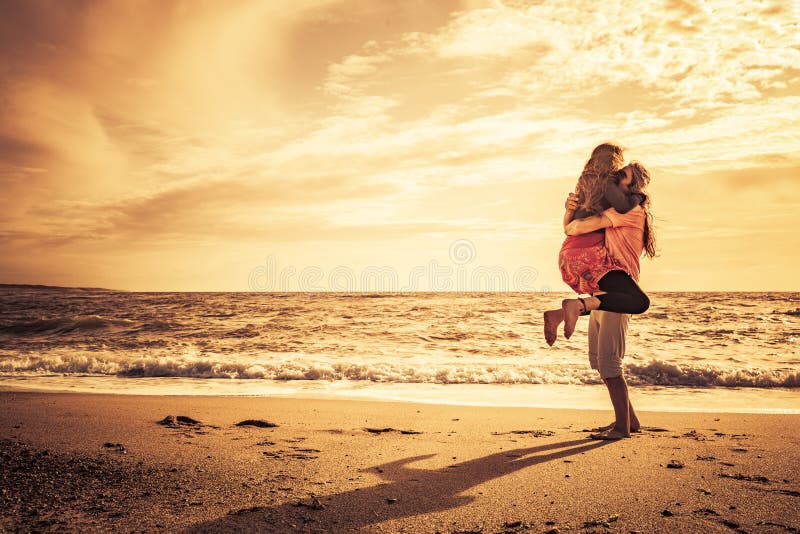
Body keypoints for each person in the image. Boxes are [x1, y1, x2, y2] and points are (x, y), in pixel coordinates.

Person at [550, 161, 657, 440]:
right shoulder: (619, 209)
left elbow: (574, 229)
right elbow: (571, 227)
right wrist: (570, 209)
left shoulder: (629, 210)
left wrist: (572, 217)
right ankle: (630, 421)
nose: (615, 178)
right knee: (601, 362)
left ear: (632, 186)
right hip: (603, 289)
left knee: (610, 364)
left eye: (622, 175)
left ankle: (621, 428)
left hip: (617, 288)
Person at [543, 147, 652, 346]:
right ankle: (574, 306)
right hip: (596, 261)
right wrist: (640, 196)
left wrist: (568, 213)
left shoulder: (589, 187)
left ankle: (559, 315)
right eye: (618, 171)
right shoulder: (620, 201)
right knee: (639, 301)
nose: (616, 175)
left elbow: (569, 228)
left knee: (602, 303)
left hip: (570, 258)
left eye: (622, 175)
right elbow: (575, 228)